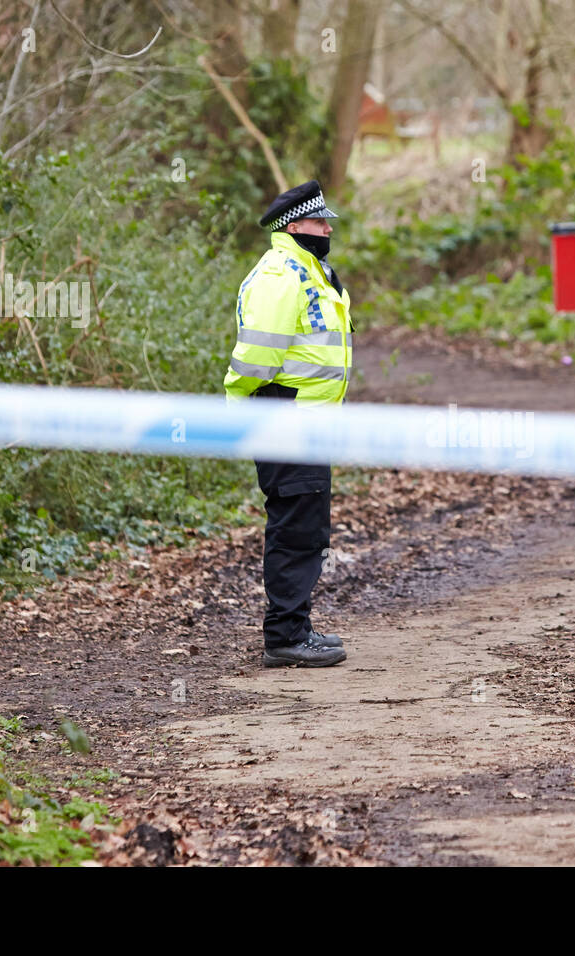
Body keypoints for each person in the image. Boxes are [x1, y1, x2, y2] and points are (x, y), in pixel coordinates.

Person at [224, 180, 352, 668]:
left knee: (306, 524)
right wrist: (243, 407)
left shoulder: (309, 270)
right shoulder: (282, 273)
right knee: (295, 525)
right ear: (294, 226)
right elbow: (257, 356)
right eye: (320, 223)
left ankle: (295, 626)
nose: (327, 230)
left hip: (308, 419)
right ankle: (285, 636)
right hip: (285, 415)